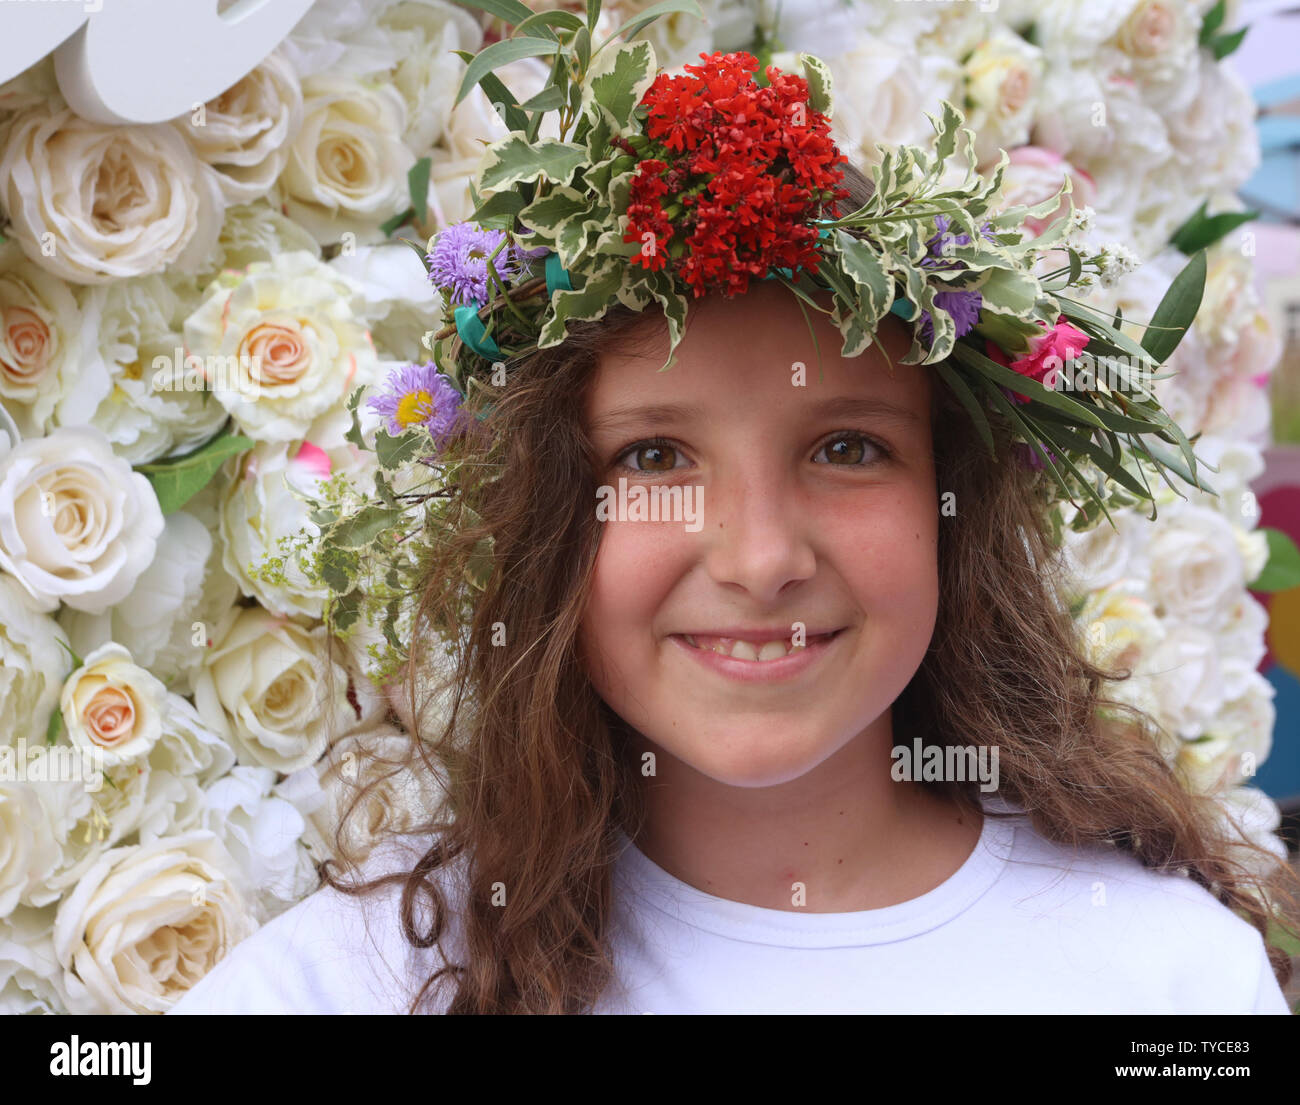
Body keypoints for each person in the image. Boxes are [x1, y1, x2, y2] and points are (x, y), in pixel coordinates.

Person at [170, 38, 1300, 1016]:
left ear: (954, 507)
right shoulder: (365, 981)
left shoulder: (1163, 977)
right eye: (655, 456)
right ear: (550, 520)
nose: (762, 560)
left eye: (847, 448)